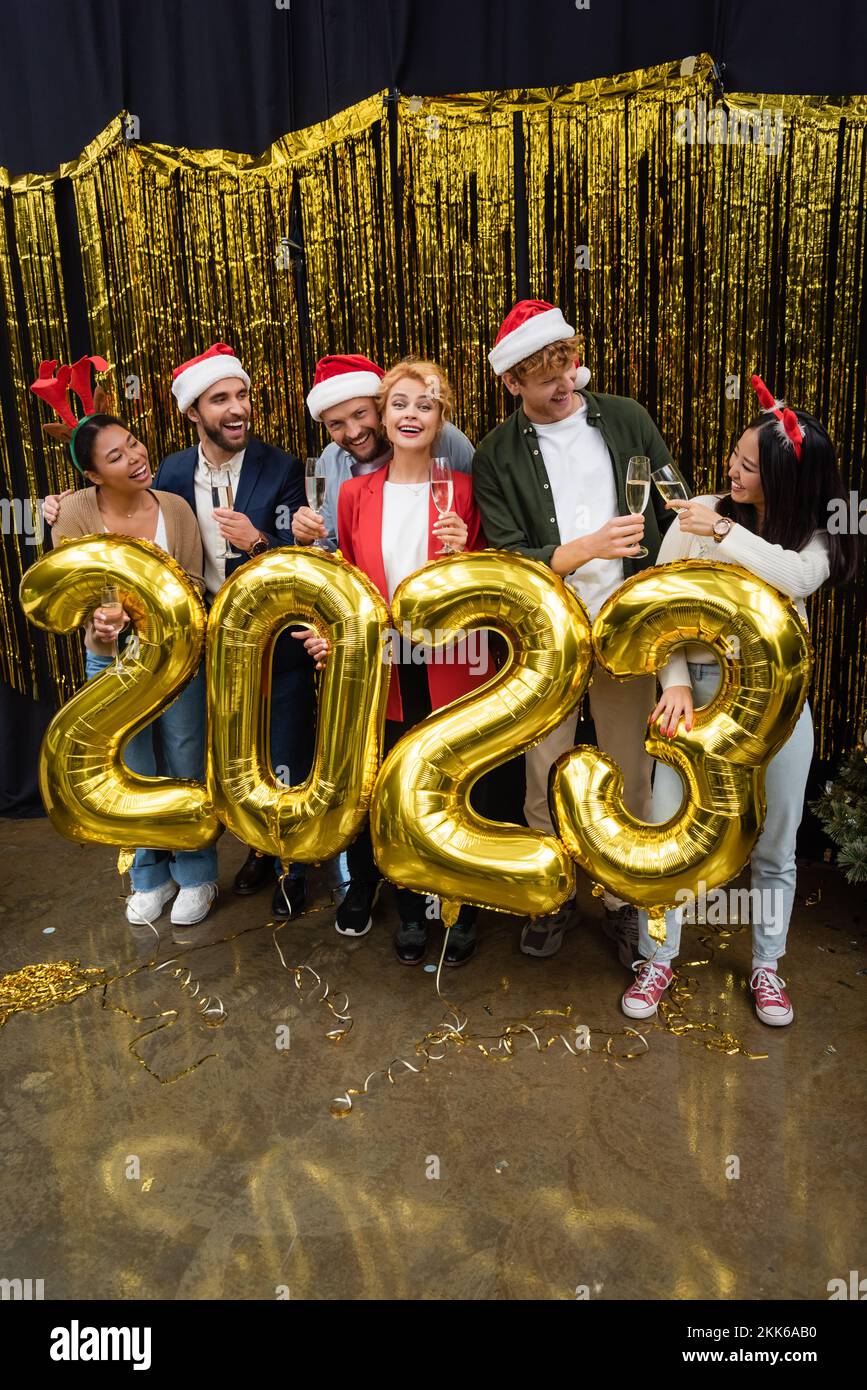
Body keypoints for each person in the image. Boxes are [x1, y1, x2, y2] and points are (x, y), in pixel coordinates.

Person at [621, 379, 860, 1028]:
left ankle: (766, 966)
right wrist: (670, 677)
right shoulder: (695, 513)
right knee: (666, 834)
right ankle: (657, 959)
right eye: (733, 454)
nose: (731, 468)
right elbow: (656, 608)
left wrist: (723, 530)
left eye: (748, 464)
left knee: (775, 844)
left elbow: (796, 577)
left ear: (784, 478)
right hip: (690, 698)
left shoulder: (810, 532)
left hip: (776, 704)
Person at [45, 343, 312, 921]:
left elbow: (302, 556)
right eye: (221, 399)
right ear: (194, 411)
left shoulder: (283, 466)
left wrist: (258, 541)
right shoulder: (168, 472)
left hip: (260, 640)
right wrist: (63, 508)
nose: (237, 407)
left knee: (274, 749)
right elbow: (97, 525)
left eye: (241, 395)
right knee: (180, 757)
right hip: (177, 644)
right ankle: (181, 867)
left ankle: (284, 863)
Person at [471, 299, 680, 962]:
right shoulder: (495, 455)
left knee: (628, 768)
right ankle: (552, 893)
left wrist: (697, 522)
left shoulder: (626, 418)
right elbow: (507, 560)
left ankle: (619, 896)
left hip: (629, 623)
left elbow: (674, 497)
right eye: (545, 377)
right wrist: (587, 546)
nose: (564, 383)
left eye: (567, 366)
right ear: (511, 384)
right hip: (549, 634)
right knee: (546, 770)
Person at [295, 359, 492, 966]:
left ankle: (457, 905)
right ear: (384, 416)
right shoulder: (353, 495)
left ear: (441, 420)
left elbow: (493, 583)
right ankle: (410, 906)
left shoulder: (462, 490)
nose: (412, 414)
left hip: (452, 660)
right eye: (400, 403)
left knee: (451, 787)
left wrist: (470, 549)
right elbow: (347, 583)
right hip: (384, 662)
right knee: (391, 788)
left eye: (425, 405)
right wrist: (331, 635)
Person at [49, 412, 219, 939]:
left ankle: (197, 875)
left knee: (187, 759)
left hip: (177, 658)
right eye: (116, 456)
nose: (135, 457)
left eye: (134, 444)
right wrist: (99, 620)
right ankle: (149, 876)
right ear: (95, 475)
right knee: (131, 767)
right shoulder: (73, 513)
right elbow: (75, 591)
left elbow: (192, 585)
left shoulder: (176, 508)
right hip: (112, 660)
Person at [291, 353, 474, 550]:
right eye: (336, 424)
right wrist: (307, 539)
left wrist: (465, 546)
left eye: (360, 413)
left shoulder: (446, 440)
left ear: (381, 409)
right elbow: (334, 549)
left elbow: (474, 517)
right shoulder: (331, 464)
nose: (354, 433)